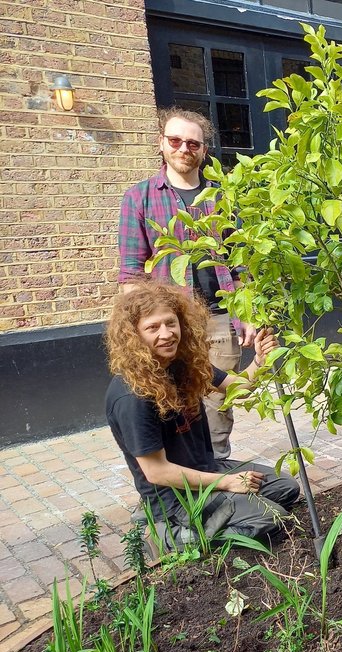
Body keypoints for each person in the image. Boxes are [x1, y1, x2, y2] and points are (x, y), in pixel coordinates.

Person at [105, 283, 300, 548]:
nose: (166, 334)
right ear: (134, 335)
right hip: (176, 496)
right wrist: (227, 482)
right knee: (272, 519)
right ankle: (170, 535)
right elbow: (157, 472)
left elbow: (238, 388)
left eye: (170, 323)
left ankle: (225, 512)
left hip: (205, 470)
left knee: (286, 488)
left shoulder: (182, 365)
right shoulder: (132, 396)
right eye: (153, 328)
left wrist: (260, 360)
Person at [118, 107, 255, 461]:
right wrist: (138, 329)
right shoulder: (139, 198)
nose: (184, 148)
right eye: (175, 140)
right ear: (161, 143)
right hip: (170, 324)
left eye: (193, 143)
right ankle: (181, 477)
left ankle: (217, 467)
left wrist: (246, 314)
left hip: (219, 318)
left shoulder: (221, 198)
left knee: (219, 404)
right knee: (173, 404)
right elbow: (131, 273)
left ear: (204, 150)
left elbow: (238, 264)